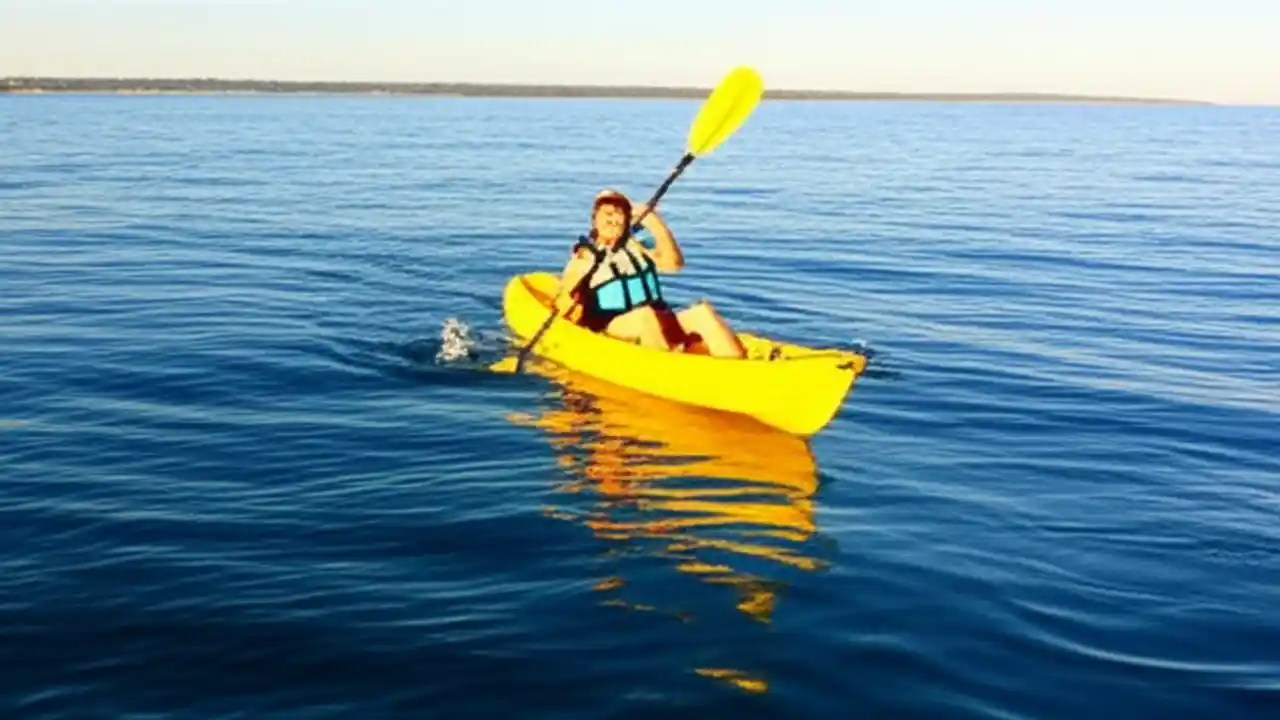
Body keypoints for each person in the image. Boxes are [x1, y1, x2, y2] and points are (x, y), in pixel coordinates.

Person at [552, 189, 746, 359]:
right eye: (607, 214)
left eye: (619, 213)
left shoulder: (638, 245)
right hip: (613, 326)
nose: (613, 219)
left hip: (660, 317)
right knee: (644, 316)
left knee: (703, 313)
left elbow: (674, 265)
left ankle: (739, 368)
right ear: (595, 220)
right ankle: (669, 369)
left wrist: (655, 223)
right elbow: (563, 303)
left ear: (627, 219)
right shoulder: (584, 260)